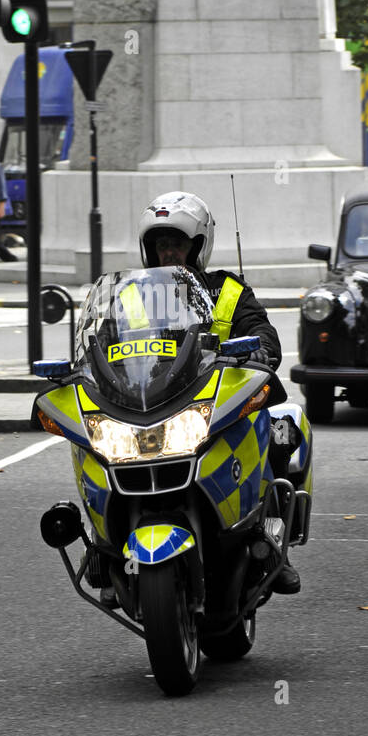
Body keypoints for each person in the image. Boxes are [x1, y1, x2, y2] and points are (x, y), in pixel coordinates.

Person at [137, 191, 301, 595]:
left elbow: (263, 331)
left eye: (177, 244)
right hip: (150, 405)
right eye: (161, 245)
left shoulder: (228, 290)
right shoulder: (133, 296)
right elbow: (101, 341)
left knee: (280, 430)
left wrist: (258, 349)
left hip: (214, 401)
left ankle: (271, 539)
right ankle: (105, 547)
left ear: (197, 247)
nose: (168, 253)